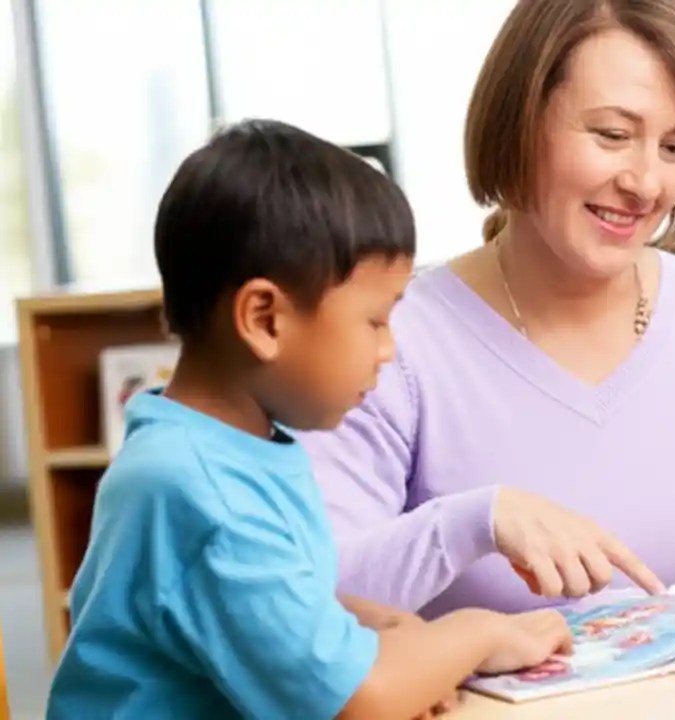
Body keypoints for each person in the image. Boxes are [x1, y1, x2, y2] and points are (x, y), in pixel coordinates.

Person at [298, 0, 675, 620]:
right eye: (612, 136)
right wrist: (471, 522)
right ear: (518, 123)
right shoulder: (389, 341)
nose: (645, 183)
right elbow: (303, 600)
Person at [47, 120, 572, 720]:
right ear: (265, 319)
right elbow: (357, 704)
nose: (387, 350)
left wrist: (396, 637)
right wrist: (474, 634)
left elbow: (269, 598)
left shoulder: (214, 445)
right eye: (375, 321)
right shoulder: (201, 489)